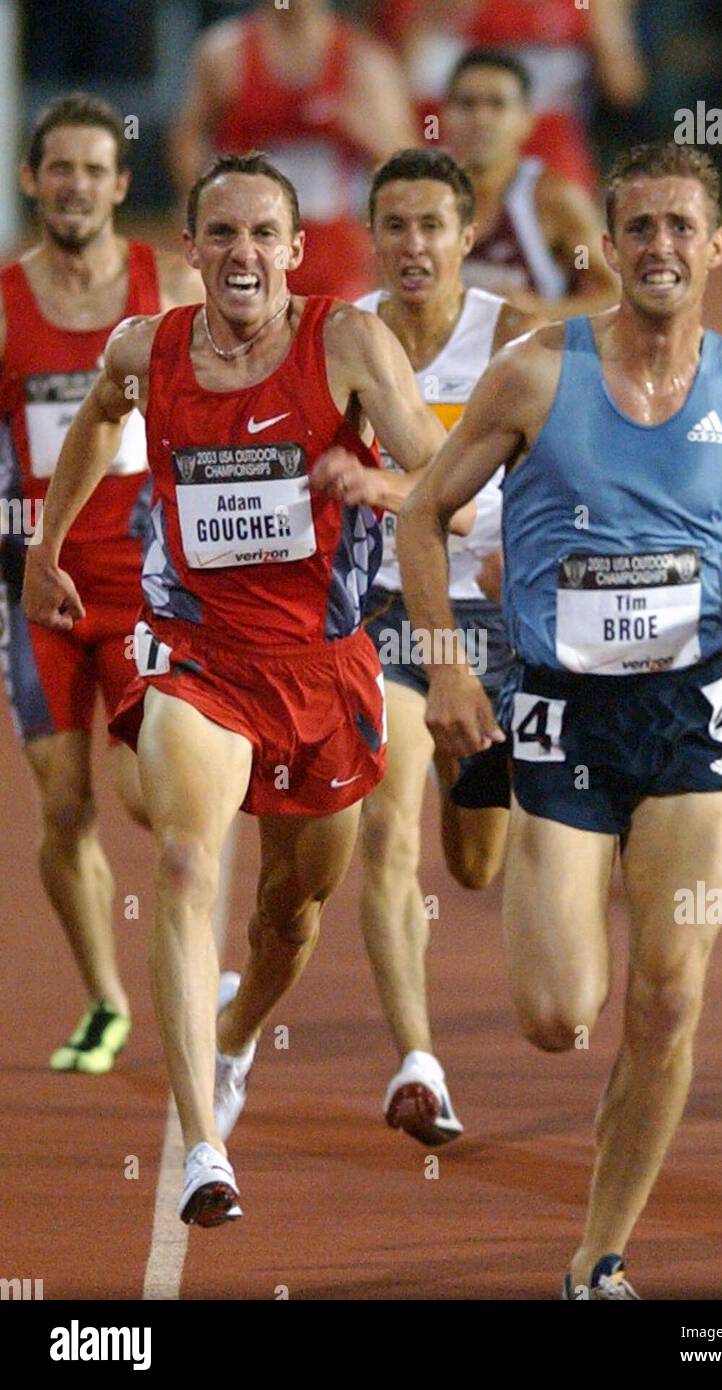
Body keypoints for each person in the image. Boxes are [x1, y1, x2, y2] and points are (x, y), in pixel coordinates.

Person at [396, 141, 722, 1298]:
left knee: (672, 994)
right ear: (604, 245)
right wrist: (448, 669)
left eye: (678, 228)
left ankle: (597, 1257)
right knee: (556, 1015)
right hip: (557, 717)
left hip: (692, 716)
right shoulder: (540, 374)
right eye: (637, 228)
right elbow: (422, 513)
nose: (658, 249)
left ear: (715, 247)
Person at [23, 151, 462, 1228]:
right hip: (196, 656)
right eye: (221, 235)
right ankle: (202, 1150)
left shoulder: (344, 340)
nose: (243, 255)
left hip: (322, 667)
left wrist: (383, 482)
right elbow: (95, 422)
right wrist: (50, 544)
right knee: (182, 859)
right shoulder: (148, 346)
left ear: (295, 251)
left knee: (291, 907)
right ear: (190, 249)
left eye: (264, 235)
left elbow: (439, 473)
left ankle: (232, 1034)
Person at [0, 93, 202, 1074]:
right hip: (40, 592)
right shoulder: (4, 304)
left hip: (147, 590)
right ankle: (106, 999)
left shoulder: (158, 285)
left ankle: (195, 943)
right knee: (65, 802)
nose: (75, 185)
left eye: (94, 169)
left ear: (121, 186)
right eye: (58, 169)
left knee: (149, 794)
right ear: (32, 180)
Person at [356, 148, 541, 1145]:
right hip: (385, 614)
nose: (413, 245)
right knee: (387, 826)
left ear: (466, 235)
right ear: (372, 235)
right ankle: (418, 1062)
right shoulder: (345, 337)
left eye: (432, 225)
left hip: (495, 624)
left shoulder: (514, 338)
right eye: (394, 225)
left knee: (474, 863)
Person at [170, 0, 418, 301]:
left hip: (335, 246)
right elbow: (188, 136)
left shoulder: (366, 61)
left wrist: (366, 135)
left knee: (332, 336)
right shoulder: (224, 54)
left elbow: (409, 166)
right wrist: (198, 198)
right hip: (245, 236)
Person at [379, 0, 646, 186]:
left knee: (567, 217)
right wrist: (432, 19)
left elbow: (624, 89)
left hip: (546, 136)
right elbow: (400, 81)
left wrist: (607, 32)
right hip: (459, 133)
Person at [443, 50, 620, 321]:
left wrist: (540, 312)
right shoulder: (423, 197)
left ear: (526, 120)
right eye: (467, 104)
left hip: (531, 358)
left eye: (497, 104)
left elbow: (618, 294)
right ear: (444, 115)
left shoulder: (552, 199)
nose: (480, 118)